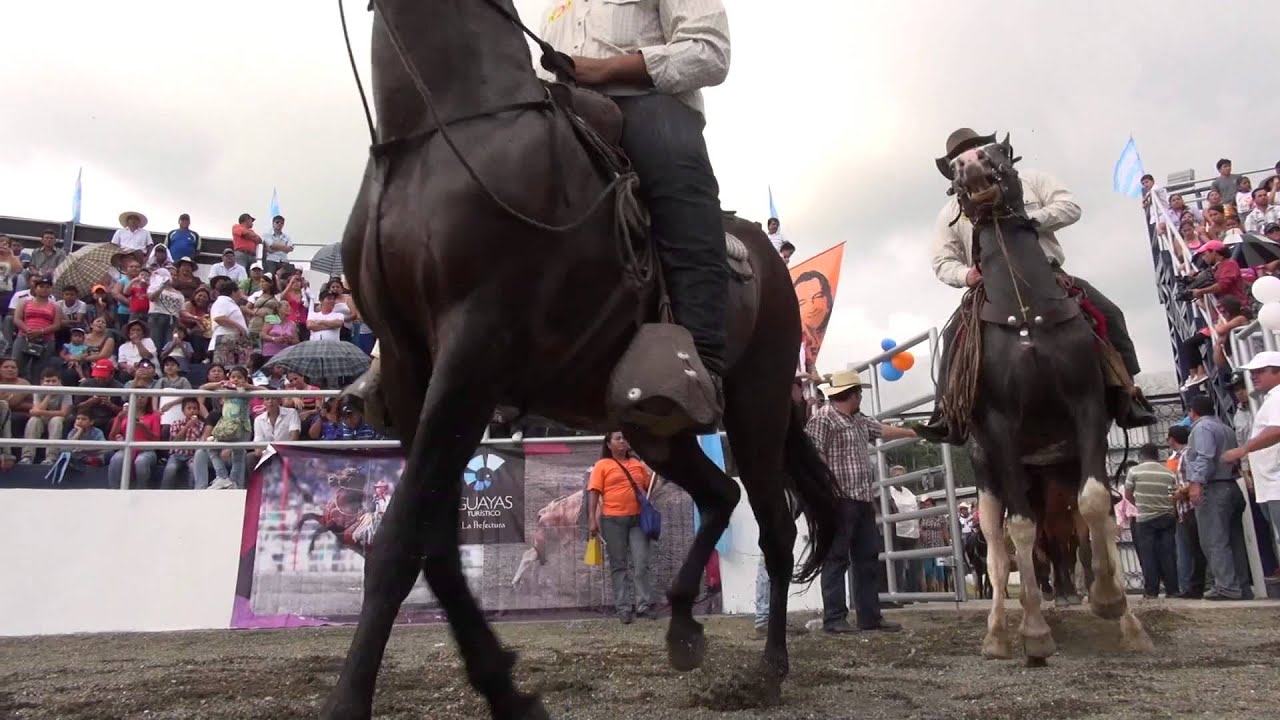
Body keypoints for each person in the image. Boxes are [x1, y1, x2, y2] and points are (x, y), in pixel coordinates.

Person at [539, 0, 731, 427]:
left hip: (645, 101)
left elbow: (710, 51)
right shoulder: (557, 6)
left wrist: (605, 70)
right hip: (562, 113)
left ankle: (701, 364)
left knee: (680, 184)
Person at [919, 128, 1156, 443]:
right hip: (988, 287)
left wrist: (1031, 219)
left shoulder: (1030, 180)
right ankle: (945, 413)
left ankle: (1128, 394)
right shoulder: (950, 211)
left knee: (1109, 313)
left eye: (975, 148)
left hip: (1048, 272)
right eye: (959, 157)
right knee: (952, 336)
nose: (970, 157)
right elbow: (942, 261)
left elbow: (1070, 206)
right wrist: (966, 275)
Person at [808, 369, 913, 634]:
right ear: (853, 394)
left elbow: (882, 430)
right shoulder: (823, 419)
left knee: (866, 557)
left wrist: (913, 432)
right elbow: (814, 454)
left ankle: (869, 616)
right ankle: (835, 618)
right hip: (838, 499)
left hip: (862, 499)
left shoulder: (858, 420)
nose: (861, 397)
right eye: (859, 393)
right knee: (836, 558)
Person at [587, 430, 660, 624]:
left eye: (625, 437)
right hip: (612, 520)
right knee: (618, 565)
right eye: (618, 438)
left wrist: (656, 472)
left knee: (641, 563)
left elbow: (649, 487)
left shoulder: (637, 464)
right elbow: (594, 492)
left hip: (638, 520)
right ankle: (623, 608)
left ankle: (643, 606)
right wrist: (592, 519)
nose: (623, 441)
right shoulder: (602, 465)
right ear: (608, 444)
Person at [1183, 394, 1251, 600]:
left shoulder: (1201, 428)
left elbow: (1205, 456)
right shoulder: (1225, 428)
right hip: (1231, 486)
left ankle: (1226, 587)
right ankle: (1242, 587)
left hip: (1213, 489)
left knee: (1214, 540)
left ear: (1193, 412)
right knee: (1235, 539)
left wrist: (1196, 483)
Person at [1123, 444, 1180, 599]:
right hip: (1167, 517)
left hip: (1145, 519)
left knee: (1148, 555)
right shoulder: (1169, 473)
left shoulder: (1134, 471)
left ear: (1141, 456)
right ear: (1157, 455)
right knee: (1168, 554)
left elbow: (1127, 495)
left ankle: (1151, 591)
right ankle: (1172, 590)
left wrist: (1138, 506)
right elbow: (1173, 496)